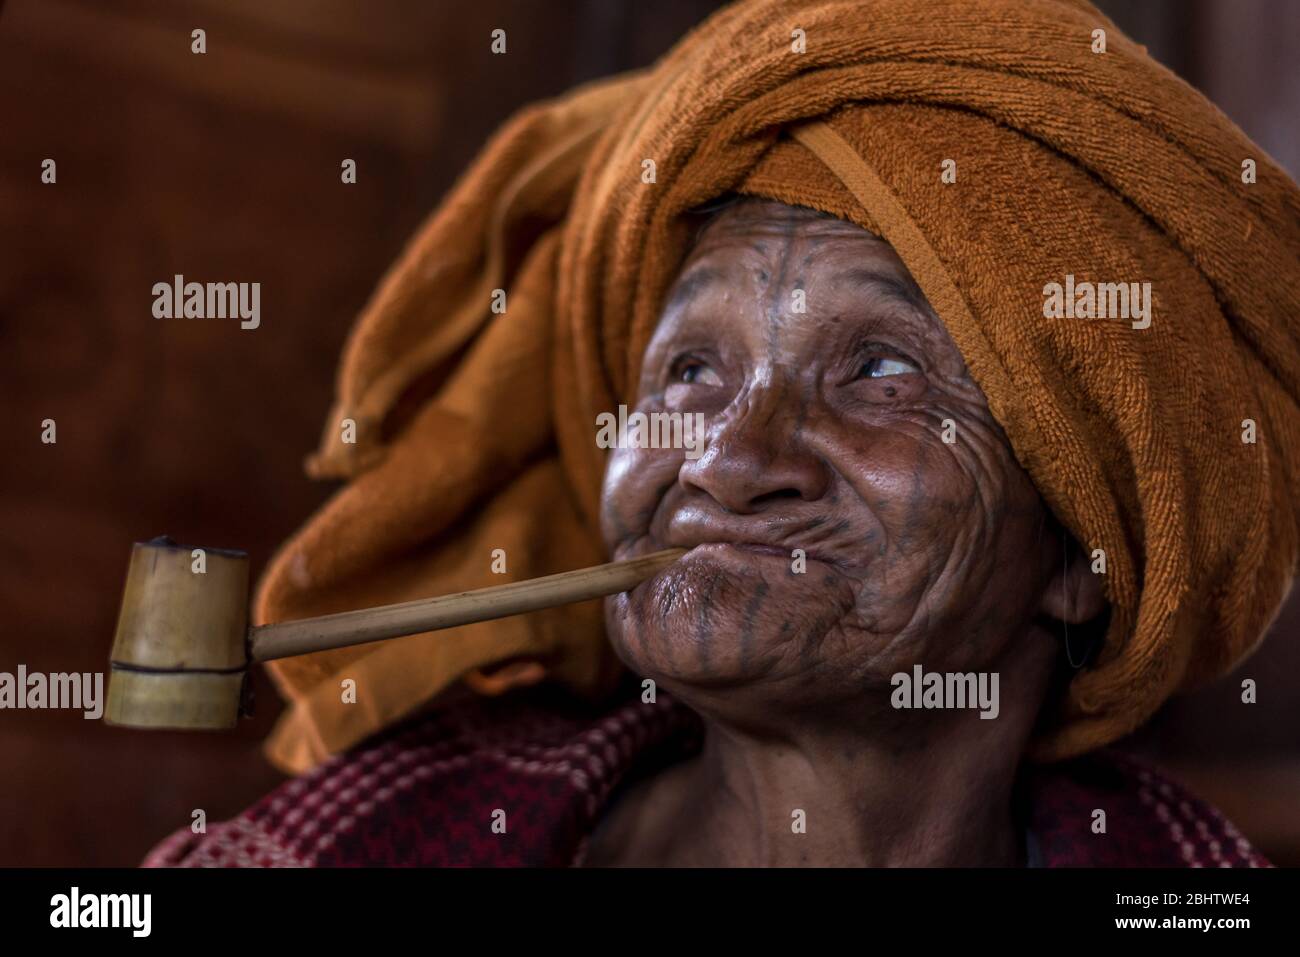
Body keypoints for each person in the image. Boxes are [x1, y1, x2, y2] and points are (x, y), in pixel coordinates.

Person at [145, 0, 1298, 867]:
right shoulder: (348, 851)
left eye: (879, 371)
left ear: (1082, 558)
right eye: (691, 370)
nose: (730, 461)